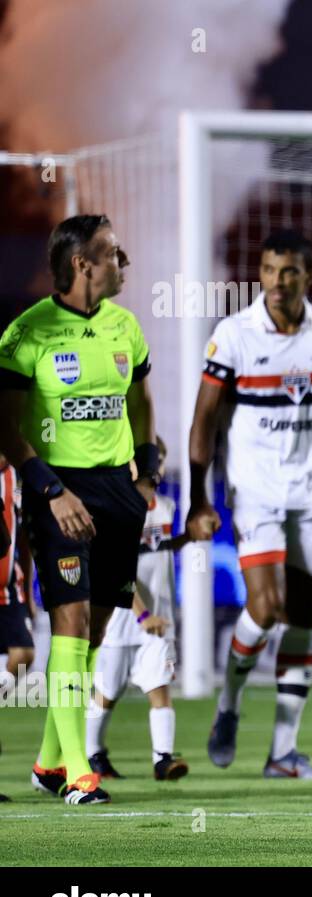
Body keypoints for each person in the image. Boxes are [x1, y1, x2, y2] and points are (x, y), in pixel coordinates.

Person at [187, 228, 312, 780]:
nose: (276, 281)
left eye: (289, 271)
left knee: (303, 618)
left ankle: (282, 754)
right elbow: (203, 420)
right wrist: (198, 495)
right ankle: (229, 702)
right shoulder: (234, 335)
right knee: (267, 606)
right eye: (269, 270)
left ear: (308, 276)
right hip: (255, 491)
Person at [0, 214, 159, 805]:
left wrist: (147, 468)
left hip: (118, 492)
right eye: (114, 252)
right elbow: (7, 427)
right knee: (66, 622)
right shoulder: (26, 334)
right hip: (57, 492)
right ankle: (77, 772)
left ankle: (46, 765)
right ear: (82, 266)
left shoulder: (127, 326)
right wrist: (50, 490)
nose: (126, 261)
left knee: (92, 631)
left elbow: (141, 399)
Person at [86, 437, 189, 781]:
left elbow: (158, 549)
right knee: (107, 694)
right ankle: (93, 755)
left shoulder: (167, 508)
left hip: (158, 622)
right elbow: (118, 571)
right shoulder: (116, 512)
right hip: (121, 620)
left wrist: (189, 539)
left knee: (160, 687)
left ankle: (163, 759)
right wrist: (143, 614)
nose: (153, 481)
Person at [0, 454, 36, 803]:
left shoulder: (16, 475)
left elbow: (23, 536)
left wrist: (28, 597)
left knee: (24, 655)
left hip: (9, 589)